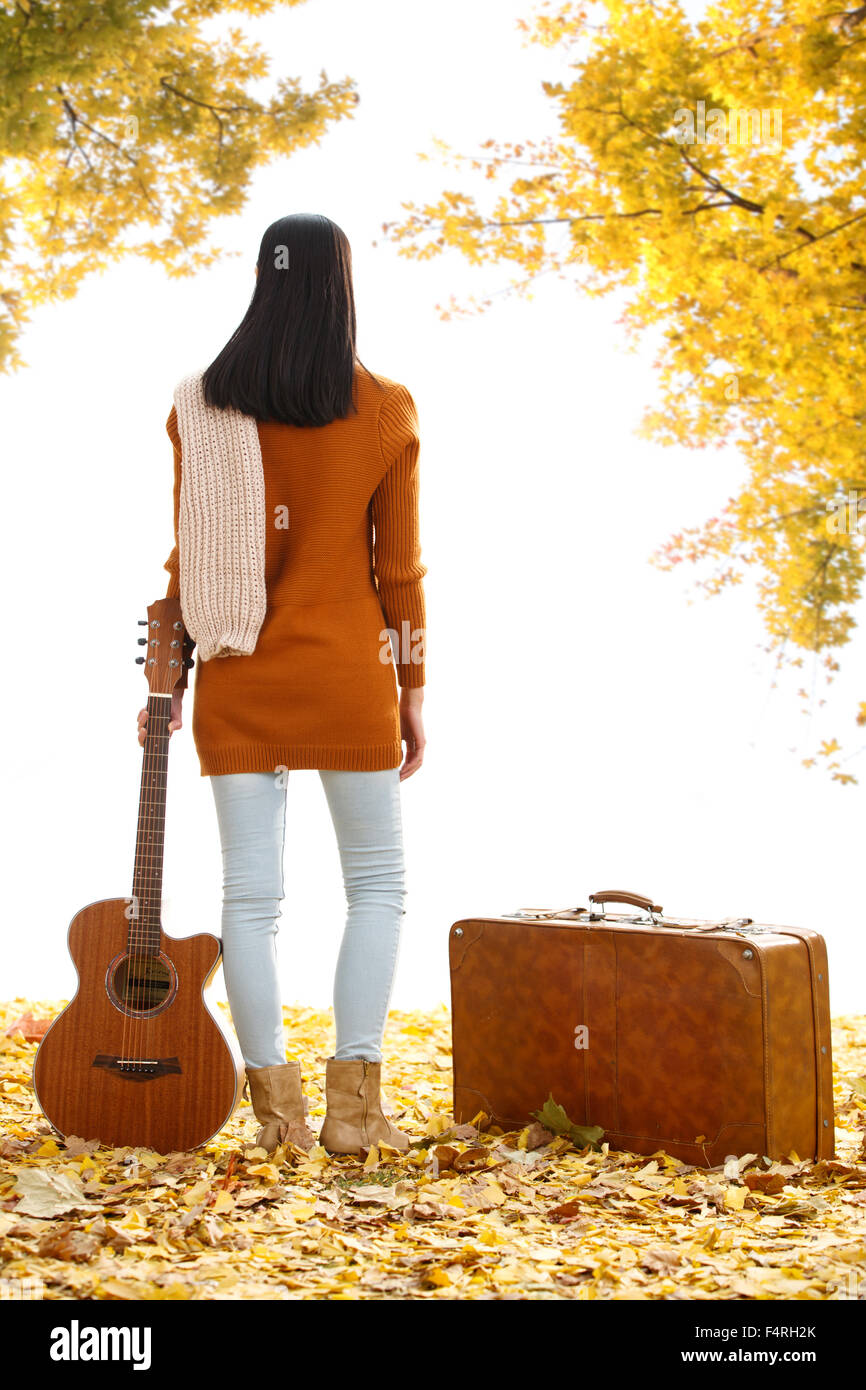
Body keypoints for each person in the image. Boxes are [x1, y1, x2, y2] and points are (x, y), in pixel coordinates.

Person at [136, 213, 427, 1157]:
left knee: (250, 901)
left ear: (263, 279)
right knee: (376, 885)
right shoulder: (384, 406)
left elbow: (189, 560)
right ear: (342, 284)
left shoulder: (200, 405)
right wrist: (414, 689)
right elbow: (401, 574)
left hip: (236, 676)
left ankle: (279, 1124)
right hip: (350, 677)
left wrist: (165, 681)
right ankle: (354, 1114)